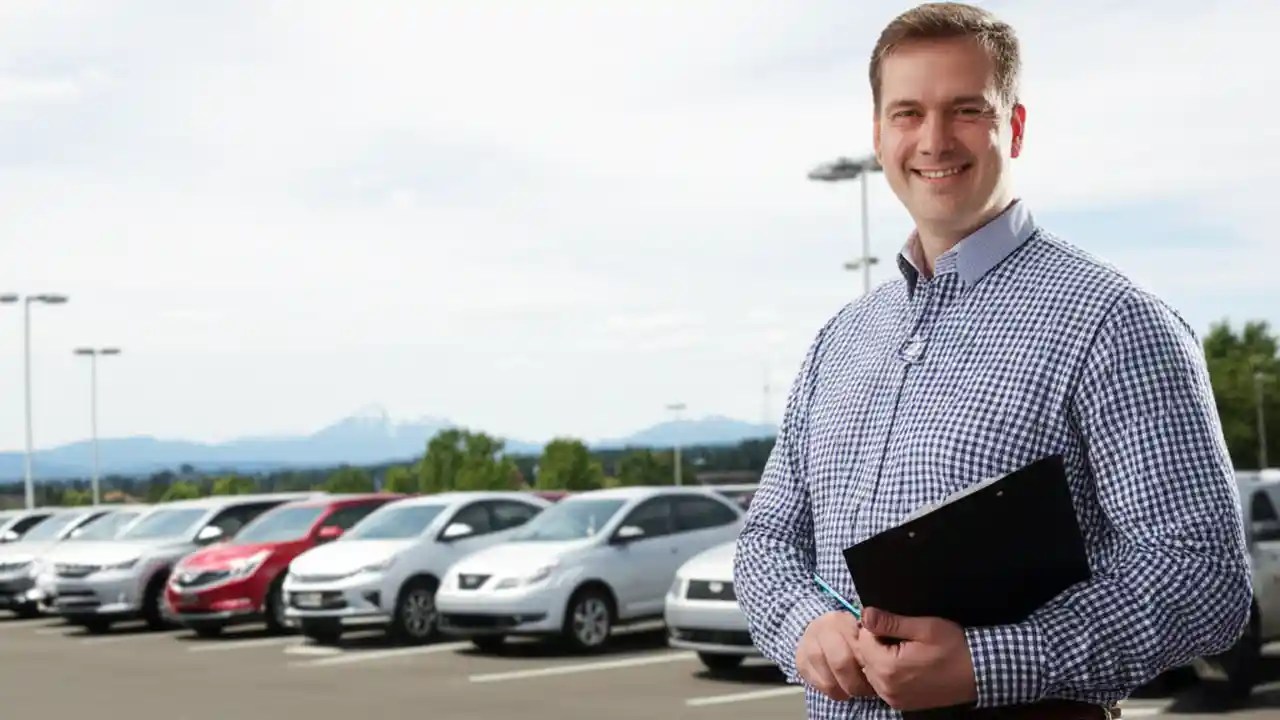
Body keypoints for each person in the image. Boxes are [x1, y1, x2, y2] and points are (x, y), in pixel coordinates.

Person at [732, 3, 1253, 720]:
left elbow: (1204, 578)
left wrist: (987, 663)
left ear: (1013, 126)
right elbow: (765, 541)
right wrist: (804, 627)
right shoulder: (841, 340)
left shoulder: (1113, 321)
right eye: (908, 112)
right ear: (880, 134)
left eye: (966, 109)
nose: (934, 139)